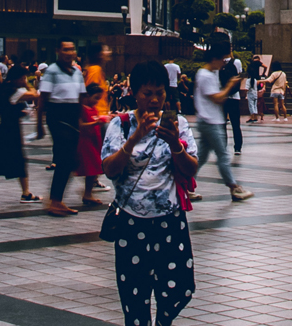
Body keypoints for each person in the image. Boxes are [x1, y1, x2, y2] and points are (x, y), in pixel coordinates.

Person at [100, 61, 199, 326]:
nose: (155, 100)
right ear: (134, 92)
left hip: (169, 220)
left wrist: (174, 143)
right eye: (147, 93)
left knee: (180, 288)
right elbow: (109, 169)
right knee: (135, 296)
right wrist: (134, 139)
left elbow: (191, 168)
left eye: (160, 92)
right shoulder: (120, 125)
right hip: (131, 223)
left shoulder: (177, 123)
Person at [194, 45, 255, 201]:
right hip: (210, 122)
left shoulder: (207, 73)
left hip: (208, 120)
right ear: (214, 59)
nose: (223, 62)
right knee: (222, 155)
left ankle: (184, 184)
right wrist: (229, 85)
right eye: (222, 59)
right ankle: (234, 187)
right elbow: (218, 98)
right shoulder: (205, 75)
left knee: (201, 157)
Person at [36, 38, 86, 217]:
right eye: (65, 49)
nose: (69, 53)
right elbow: (43, 98)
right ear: (58, 51)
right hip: (57, 116)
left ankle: (56, 199)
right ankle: (55, 201)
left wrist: (81, 120)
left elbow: (81, 98)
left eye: (72, 49)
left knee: (72, 160)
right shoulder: (52, 71)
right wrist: (39, 123)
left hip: (72, 117)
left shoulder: (77, 72)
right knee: (66, 158)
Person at [0, 66, 42, 205]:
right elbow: (35, 94)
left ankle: (24, 192)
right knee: (8, 161)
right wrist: (28, 84)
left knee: (7, 161)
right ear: (18, 78)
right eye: (23, 78)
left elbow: (10, 105)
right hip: (10, 131)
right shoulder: (14, 90)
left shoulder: (4, 87)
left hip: (6, 129)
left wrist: (19, 111)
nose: (24, 81)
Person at [74, 83, 109, 206]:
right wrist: (96, 123)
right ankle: (87, 194)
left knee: (94, 168)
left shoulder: (93, 109)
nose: (96, 101)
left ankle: (88, 193)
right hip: (86, 142)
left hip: (95, 141)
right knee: (91, 168)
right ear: (88, 95)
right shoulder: (81, 109)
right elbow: (80, 126)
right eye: (96, 98)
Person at [246, 57, 264, 123]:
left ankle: (252, 117)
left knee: (251, 106)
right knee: (255, 105)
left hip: (250, 94)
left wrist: (245, 94)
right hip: (255, 94)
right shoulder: (255, 80)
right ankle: (256, 117)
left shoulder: (248, 80)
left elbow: (246, 88)